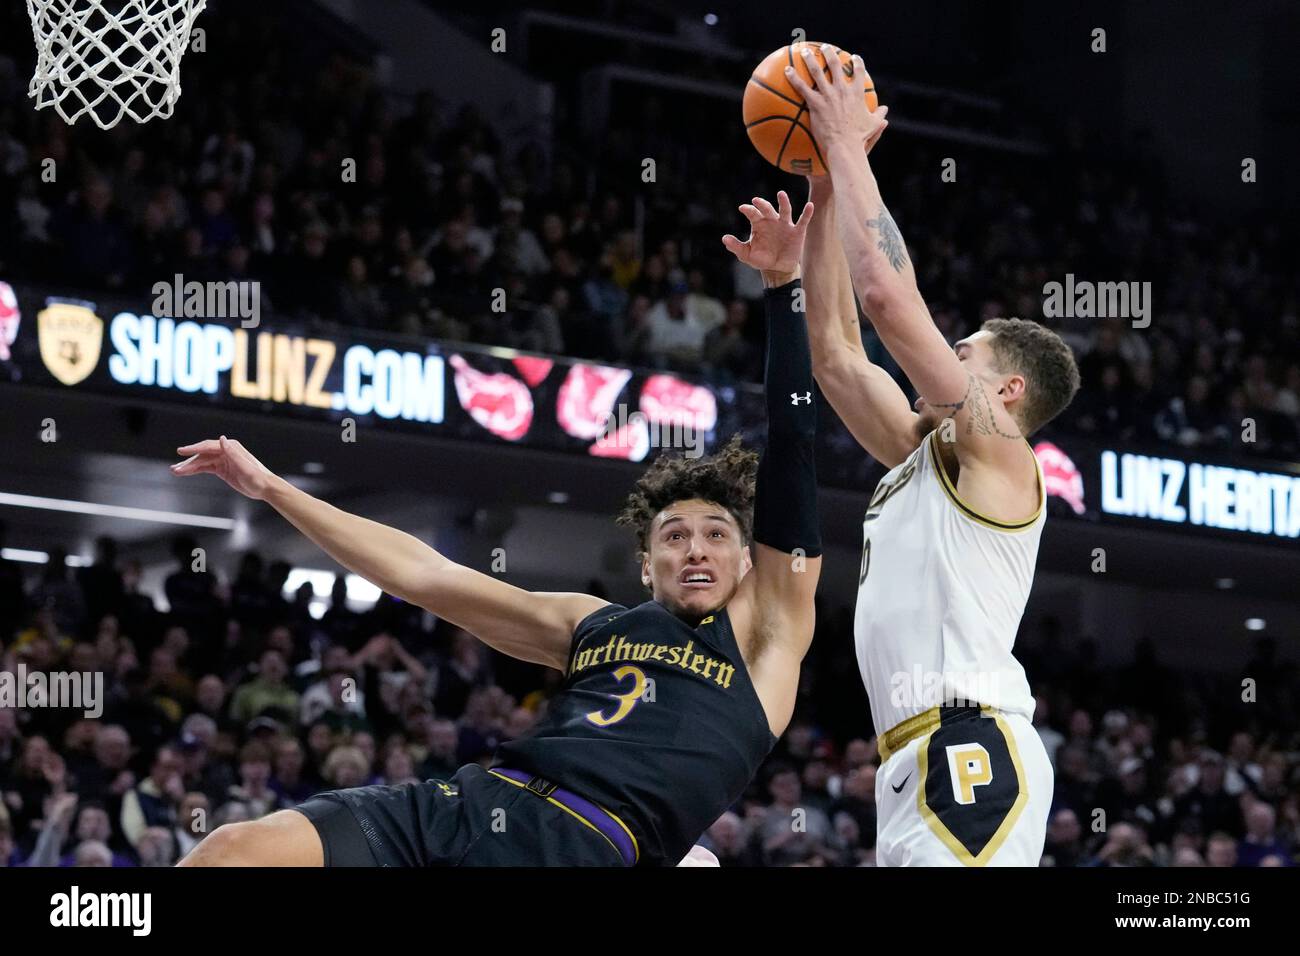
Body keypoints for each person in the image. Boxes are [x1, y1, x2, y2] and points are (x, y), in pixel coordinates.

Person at [172, 192, 824, 867]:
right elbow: (425, 576)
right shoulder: (591, 624)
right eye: (674, 535)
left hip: (581, 844)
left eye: (717, 535)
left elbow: (795, 440)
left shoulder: (765, 635)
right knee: (234, 850)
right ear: (644, 565)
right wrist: (273, 488)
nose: (695, 548)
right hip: (471, 803)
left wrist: (782, 288)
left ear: (749, 563)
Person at [786, 46, 1080, 866]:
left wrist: (845, 143)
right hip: (914, 758)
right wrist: (824, 184)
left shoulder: (1000, 451)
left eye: (965, 351)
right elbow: (838, 355)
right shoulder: (925, 454)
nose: (944, 357)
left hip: (970, 749)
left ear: (1008, 391)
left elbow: (883, 296)